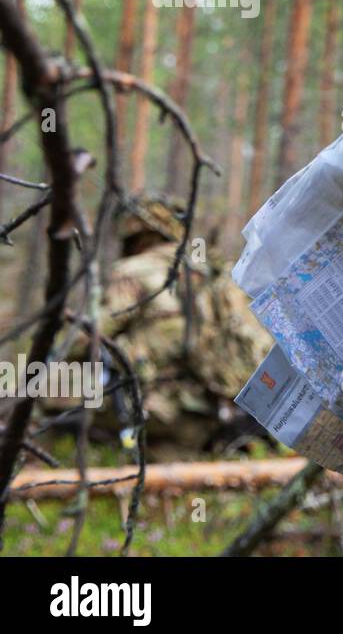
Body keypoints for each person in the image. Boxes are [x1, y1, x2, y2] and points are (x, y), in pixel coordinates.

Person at [83, 196, 272, 459]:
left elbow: (86, 336)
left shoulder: (134, 270)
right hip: (222, 409)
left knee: (57, 393)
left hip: (160, 410)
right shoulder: (214, 271)